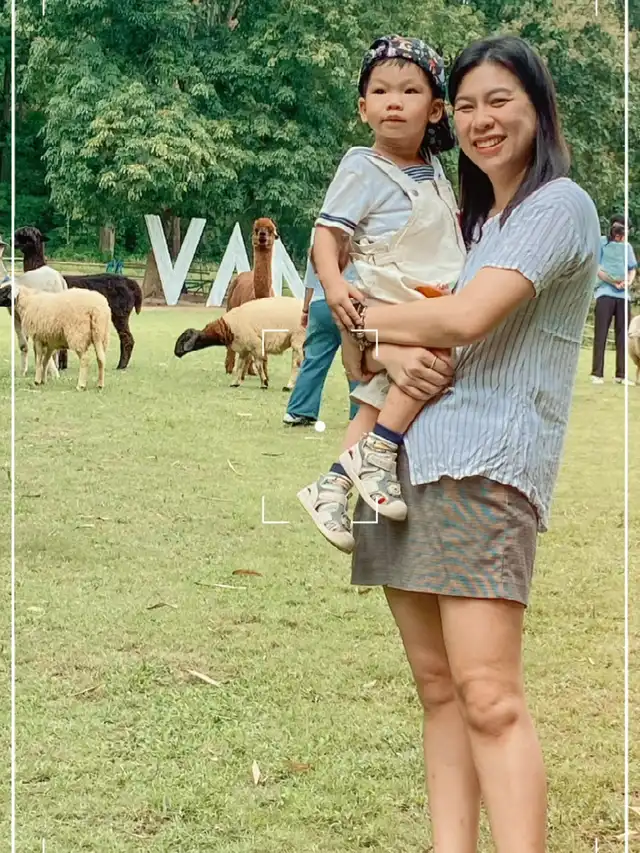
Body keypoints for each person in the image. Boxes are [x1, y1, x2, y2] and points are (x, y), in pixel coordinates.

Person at [338, 35, 600, 853]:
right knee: (439, 688)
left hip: (485, 470)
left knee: (489, 697)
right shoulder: (465, 227)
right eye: (470, 104)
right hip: (399, 465)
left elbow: (463, 318)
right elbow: (361, 359)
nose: (483, 120)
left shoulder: (558, 207)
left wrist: (362, 318)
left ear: (538, 109)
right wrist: (376, 341)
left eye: (501, 101)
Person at [297, 35, 466, 553]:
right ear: (363, 107)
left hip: (426, 290)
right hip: (394, 291)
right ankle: (379, 452)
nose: (394, 102)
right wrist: (333, 284)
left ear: (435, 109)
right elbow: (327, 234)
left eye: (410, 91)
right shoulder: (362, 166)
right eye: (381, 91)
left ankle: (332, 485)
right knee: (431, 360)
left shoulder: (435, 170)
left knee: (376, 399)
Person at [283, 248, 360, 427]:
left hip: (320, 304)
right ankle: (360, 414)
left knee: (314, 359)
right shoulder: (360, 240)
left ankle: (299, 410)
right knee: (357, 361)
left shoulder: (319, 243)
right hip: (352, 303)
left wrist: (305, 309)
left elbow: (310, 282)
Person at [590, 214, 637, 385]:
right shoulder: (602, 242)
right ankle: (597, 373)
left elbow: (632, 269)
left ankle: (621, 375)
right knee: (601, 333)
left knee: (622, 335)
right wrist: (612, 281)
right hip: (604, 292)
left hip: (623, 295)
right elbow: (596, 267)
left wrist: (628, 282)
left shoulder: (627, 247)